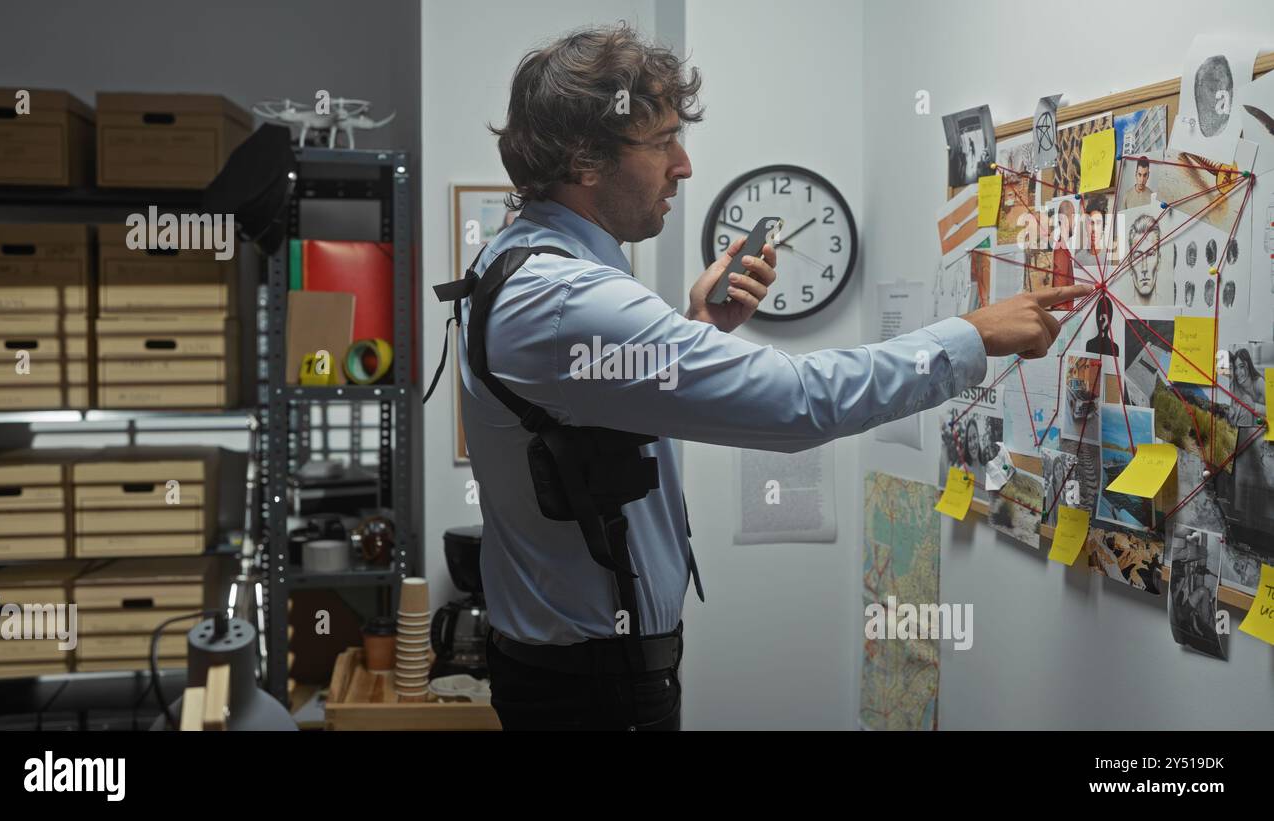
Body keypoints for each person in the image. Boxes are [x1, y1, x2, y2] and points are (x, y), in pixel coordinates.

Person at [462, 23, 1090, 731]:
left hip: (578, 674)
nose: (684, 164)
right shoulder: (564, 300)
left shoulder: (529, 264)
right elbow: (796, 404)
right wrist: (972, 335)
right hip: (590, 691)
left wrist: (695, 328)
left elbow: (593, 405)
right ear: (583, 158)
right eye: (662, 140)